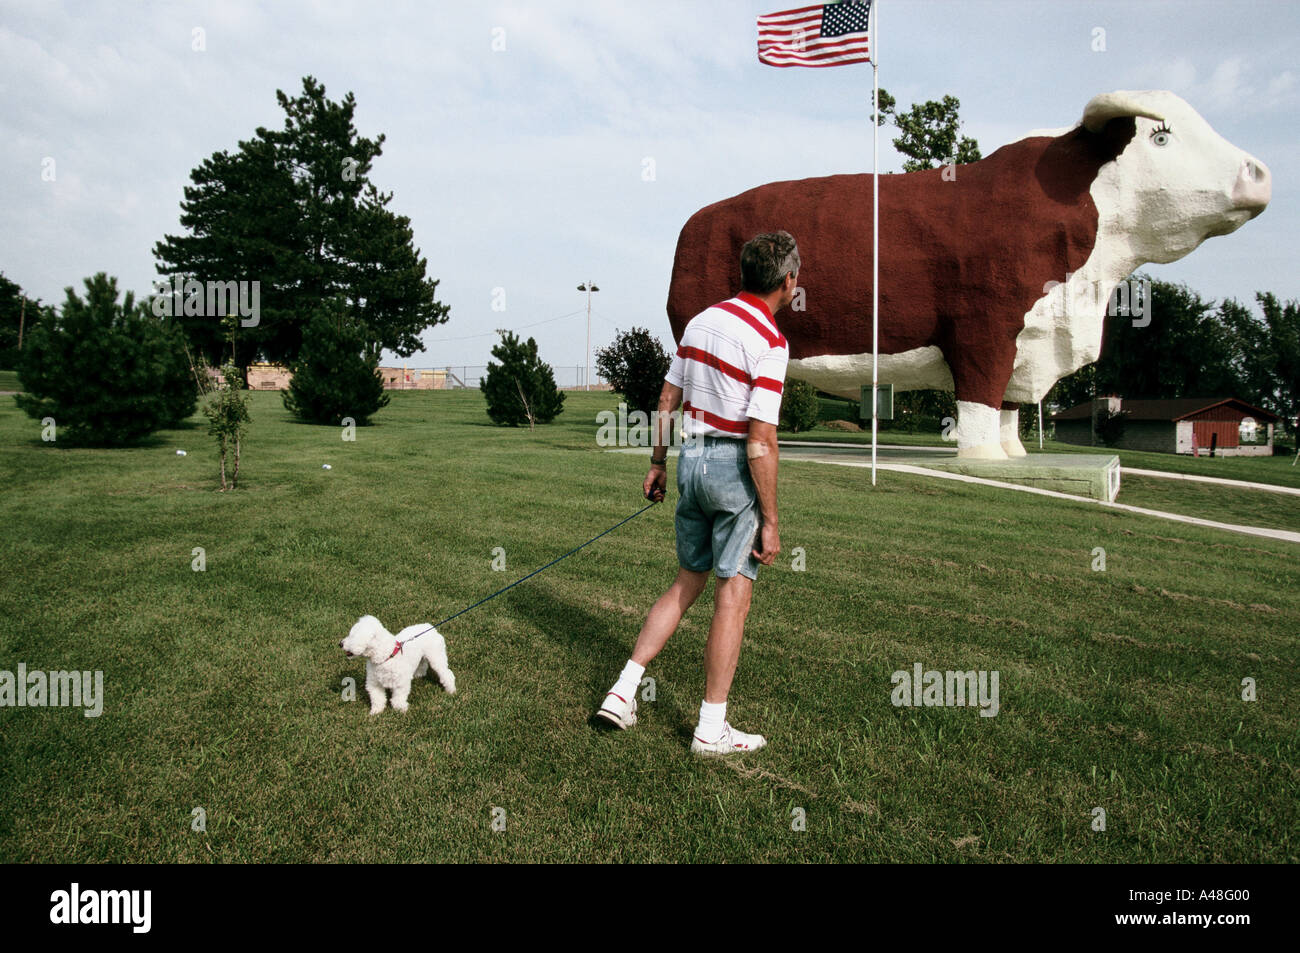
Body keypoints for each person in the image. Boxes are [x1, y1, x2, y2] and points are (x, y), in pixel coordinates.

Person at [595, 231, 798, 755]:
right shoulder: (772, 342)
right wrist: (772, 521)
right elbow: (760, 441)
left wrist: (658, 462)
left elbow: (667, 398)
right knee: (733, 594)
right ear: (788, 281)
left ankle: (622, 690)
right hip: (733, 466)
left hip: (691, 460)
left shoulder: (701, 322)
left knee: (688, 582)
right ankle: (711, 728)